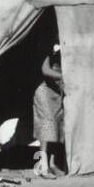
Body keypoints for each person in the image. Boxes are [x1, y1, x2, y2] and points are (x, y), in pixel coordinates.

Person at [32, 43, 65, 178]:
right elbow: (45, 70)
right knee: (46, 125)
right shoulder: (45, 47)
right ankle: (43, 166)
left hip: (56, 90)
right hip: (44, 88)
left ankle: (52, 164)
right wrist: (64, 76)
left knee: (56, 126)